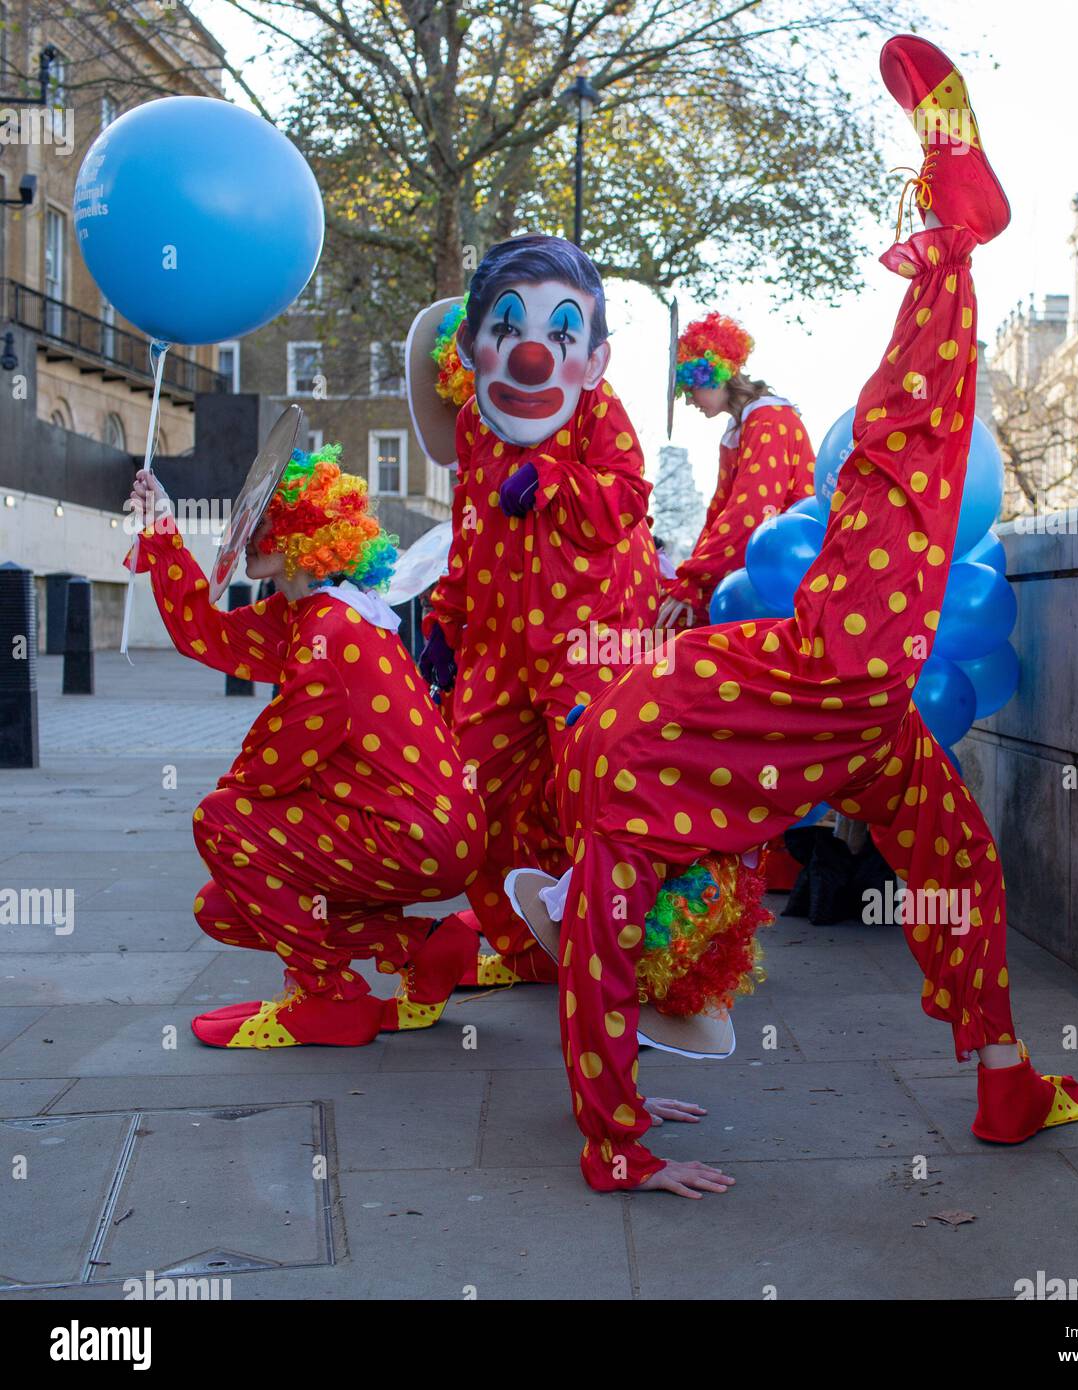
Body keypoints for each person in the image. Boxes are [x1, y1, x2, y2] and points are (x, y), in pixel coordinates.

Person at [527, 34, 1078, 1195]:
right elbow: (597, 954)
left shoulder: (614, 786)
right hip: (835, 704)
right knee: (952, 854)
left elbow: (595, 953)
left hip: (817, 683)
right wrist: (624, 1127)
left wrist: (617, 1137)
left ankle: (951, 245)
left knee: (895, 478)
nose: (709, 952)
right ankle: (1003, 1074)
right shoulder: (625, 817)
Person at [126, 445, 485, 1047]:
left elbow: (270, 768)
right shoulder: (314, 614)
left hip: (414, 835)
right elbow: (207, 635)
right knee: (223, 906)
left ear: (296, 536)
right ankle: (419, 947)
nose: (245, 531)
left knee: (223, 824)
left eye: (262, 518)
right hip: (416, 832)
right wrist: (163, 529)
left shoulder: (331, 630)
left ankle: (327, 999)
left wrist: (233, 829)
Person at [418, 234, 661, 987]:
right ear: (472, 345)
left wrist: (554, 478)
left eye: (558, 334)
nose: (531, 355)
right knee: (471, 801)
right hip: (495, 648)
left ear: (591, 357)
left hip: (592, 643)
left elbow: (626, 499)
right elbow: (467, 531)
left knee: (595, 799)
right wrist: (443, 621)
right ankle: (528, 944)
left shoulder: (597, 413)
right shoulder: (470, 429)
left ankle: (623, 956)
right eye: (507, 330)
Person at [657, 313, 814, 629]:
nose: (689, 402)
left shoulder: (769, 420)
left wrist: (695, 578)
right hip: (754, 568)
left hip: (781, 574)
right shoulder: (739, 430)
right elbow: (719, 515)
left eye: (690, 389)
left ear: (711, 376)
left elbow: (752, 511)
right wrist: (688, 577)